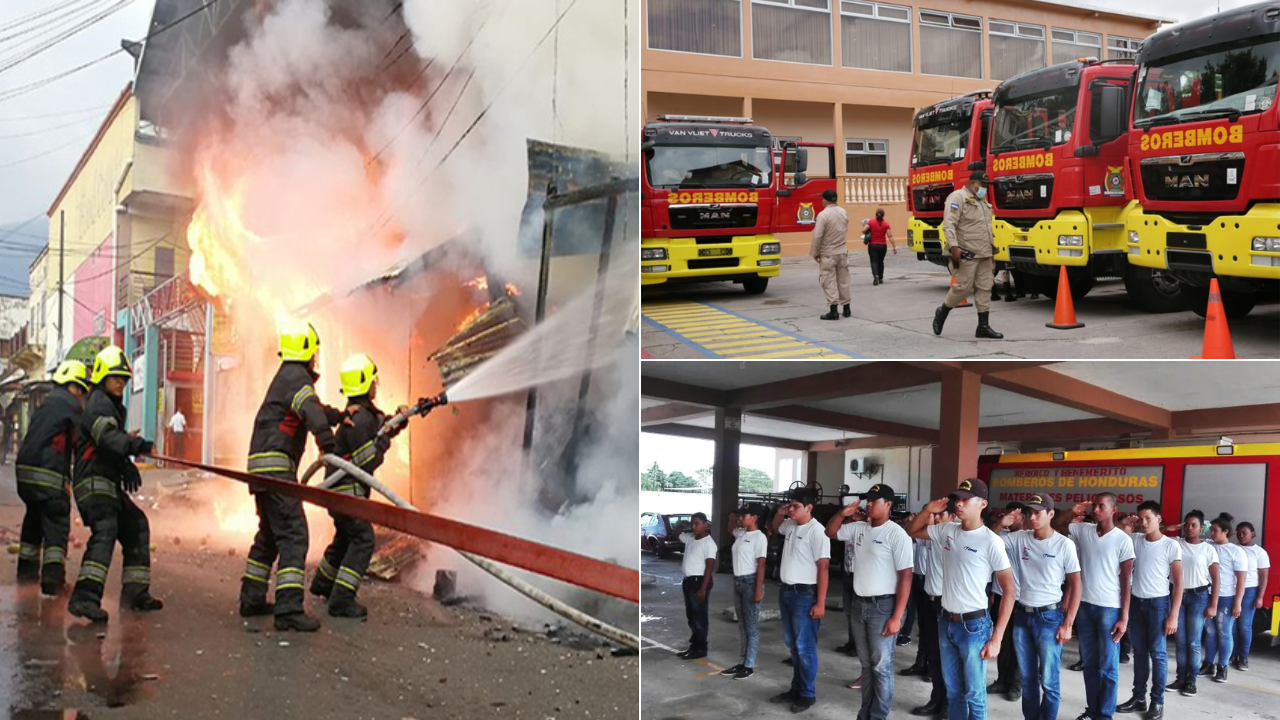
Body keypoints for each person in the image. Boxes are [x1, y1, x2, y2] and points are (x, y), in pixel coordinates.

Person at [240, 322, 346, 632]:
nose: (316, 358)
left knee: (270, 535)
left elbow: (310, 408)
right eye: (314, 352)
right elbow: (309, 410)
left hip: (260, 468)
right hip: (277, 469)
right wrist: (327, 444)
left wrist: (338, 416)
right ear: (308, 351)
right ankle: (288, 610)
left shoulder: (285, 377)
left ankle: (252, 598)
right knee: (294, 534)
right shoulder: (298, 378)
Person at [309, 354, 410, 618]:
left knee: (344, 538)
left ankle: (323, 582)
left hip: (338, 492)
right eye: (373, 380)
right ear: (366, 383)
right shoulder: (360, 419)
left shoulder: (362, 414)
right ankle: (342, 598)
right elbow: (367, 460)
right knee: (363, 540)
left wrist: (398, 421)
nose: (376, 384)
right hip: (347, 493)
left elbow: (380, 428)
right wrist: (385, 443)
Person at [906, 478, 1015, 720]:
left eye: (966, 500)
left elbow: (1010, 591)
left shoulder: (991, 541)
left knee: (974, 694)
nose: (959, 504)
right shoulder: (947, 531)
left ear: (982, 503)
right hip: (946, 622)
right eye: (958, 499)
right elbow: (911, 531)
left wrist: (997, 637)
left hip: (974, 627)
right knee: (953, 691)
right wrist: (927, 511)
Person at [67, 346, 162, 623]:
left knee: (136, 525)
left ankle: (135, 594)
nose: (121, 382)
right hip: (93, 482)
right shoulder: (99, 403)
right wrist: (135, 446)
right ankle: (84, 598)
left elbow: (109, 445)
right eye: (115, 377)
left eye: (124, 378)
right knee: (106, 529)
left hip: (105, 480)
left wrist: (125, 464)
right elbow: (107, 437)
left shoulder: (110, 405)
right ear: (101, 377)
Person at [825, 484, 913, 720]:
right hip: (858, 604)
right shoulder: (858, 528)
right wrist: (841, 515)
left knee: (881, 668)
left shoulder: (897, 534)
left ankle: (878, 716)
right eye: (869, 500)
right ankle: (865, 713)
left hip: (883, 607)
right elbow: (830, 532)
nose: (870, 504)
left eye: (876, 500)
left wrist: (897, 617)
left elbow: (906, 576)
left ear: (889, 505)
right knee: (866, 666)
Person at [1051, 493, 1135, 720]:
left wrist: (1124, 617)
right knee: (1090, 664)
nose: (1096, 510)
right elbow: (1057, 524)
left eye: (1101, 506)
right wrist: (1073, 510)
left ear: (1113, 510)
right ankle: (1092, 710)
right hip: (1085, 607)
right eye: (1095, 506)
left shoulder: (1122, 540)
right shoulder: (1084, 531)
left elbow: (1126, 581)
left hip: (1109, 609)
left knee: (1108, 666)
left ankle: (1104, 715)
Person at [999, 493, 1081, 720]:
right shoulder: (1019, 538)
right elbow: (988, 538)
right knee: (1028, 679)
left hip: (1049, 617)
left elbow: (1077, 584)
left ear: (1051, 514)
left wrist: (1068, 623)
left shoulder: (1064, 544)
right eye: (1030, 513)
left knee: (1049, 680)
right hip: (1022, 617)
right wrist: (1002, 522)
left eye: (1038, 513)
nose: (1032, 517)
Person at [14, 360, 90, 595]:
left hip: (24, 473)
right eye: (82, 391)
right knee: (56, 520)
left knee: (34, 518)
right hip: (48, 473)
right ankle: (53, 581)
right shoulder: (73, 407)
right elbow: (82, 442)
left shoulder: (46, 403)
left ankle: (26, 573)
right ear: (74, 387)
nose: (83, 397)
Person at [1115, 501, 1182, 720]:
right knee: (1140, 653)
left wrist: (1173, 615)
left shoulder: (1170, 545)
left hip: (1158, 605)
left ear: (1159, 520)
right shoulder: (1135, 540)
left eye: (1148, 519)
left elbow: (1178, 583)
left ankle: (1157, 701)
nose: (1143, 523)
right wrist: (1127, 522)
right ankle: (1139, 697)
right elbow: (1116, 533)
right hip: (1137, 603)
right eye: (1140, 518)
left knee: (1158, 654)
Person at [768, 488, 831, 713]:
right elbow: (776, 526)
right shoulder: (791, 526)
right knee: (792, 644)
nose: (791, 509)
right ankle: (796, 688)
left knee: (804, 647)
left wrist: (821, 603)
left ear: (809, 508)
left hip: (805, 595)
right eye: (790, 505)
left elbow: (823, 569)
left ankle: (807, 693)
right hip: (786, 591)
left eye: (796, 506)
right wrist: (780, 511)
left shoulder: (818, 532)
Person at [933, 171, 1002, 339]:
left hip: (985, 253)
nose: (985, 188)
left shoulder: (982, 202)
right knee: (963, 288)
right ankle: (943, 310)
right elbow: (949, 224)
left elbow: (986, 228)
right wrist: (954, 247)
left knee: (986, 287)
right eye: (983, 185)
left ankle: (983, 327)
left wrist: (991, 251)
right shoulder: (957, 197)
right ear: (973, 183)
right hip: (967, 253)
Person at [1165, 509, 1218, 697]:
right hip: (1178, 597)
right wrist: (1167, 528)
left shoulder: (1208, 549)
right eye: (1186, 524)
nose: (1189, 528)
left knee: (1193, 642)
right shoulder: (1175, 543)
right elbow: (1155, 535)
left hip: (1199, 597)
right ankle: (1180, 677)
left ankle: (1191, 680)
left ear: (1201, 527)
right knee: (1180, 641)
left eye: (1193, 525)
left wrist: (1213, 604)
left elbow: (1215, 578)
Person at [908, 504, 955, 718]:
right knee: (935, 657)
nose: (935, 519)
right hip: (930, 601)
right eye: (934, 515)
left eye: (941, 515)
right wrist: (927, 511)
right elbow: (910, 530)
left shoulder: (957, 537)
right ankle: (936, 698)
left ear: (953, 516)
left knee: (949, 659)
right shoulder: (934, 534)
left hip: (948, 605)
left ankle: (949, 704)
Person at [721, 503, 768, 680]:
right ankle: (741, 662)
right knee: (742, 626)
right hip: (738, 582)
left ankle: (749, 665)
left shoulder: (759, 537)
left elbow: (761, 564)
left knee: (751, 627)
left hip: (750, 582)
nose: (741, 518)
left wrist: (758, 589)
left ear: (755, 517)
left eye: (744, 515)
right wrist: (732, 517)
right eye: (740, 515)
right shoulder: (741, 533)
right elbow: (730, 528)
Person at [988, 503, 1026, 702]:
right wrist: (1001, 523)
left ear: (1023, 517)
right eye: (1007, 514)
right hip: (1001, 596)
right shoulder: (1001, 536)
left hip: (1020, 598)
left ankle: (1017, 684)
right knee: (1001, 641)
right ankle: (1002, 680)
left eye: (1015, 515)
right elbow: (984, 539)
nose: (1010, 518)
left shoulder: (1028, 538)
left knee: (1019, 643)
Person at [1203, 514, 1247, 683]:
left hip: (1226, 598)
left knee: (1224, 633)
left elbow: (1241, 580)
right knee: (1211, 632)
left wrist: (1237, 603)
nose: (1211, 533)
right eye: (1211, 530)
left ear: (1226, 531)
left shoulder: (1236, 551)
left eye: (1215, 531)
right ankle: (1208, 664)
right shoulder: (1207, 546)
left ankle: (1222, 666)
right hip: (1206, 595)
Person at [677, 512, 717, 660]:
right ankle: (694, 646)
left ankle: (701, 648)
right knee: (691, 616)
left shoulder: (709, 544)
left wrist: (703, 589)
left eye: (697, 524)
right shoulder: (690, 538)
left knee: (699, 617)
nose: (694, 527)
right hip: (688, 581)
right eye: (692, 523)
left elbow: (709, 567)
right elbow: (676, 535)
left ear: (705, 524)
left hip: (699, 582)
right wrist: (681, 526)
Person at [1232, 521, 1269, 671]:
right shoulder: (1233, 549)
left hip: (1249, 592)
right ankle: (1232, 655)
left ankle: (1243, 657)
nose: (1241, 535)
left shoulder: (1259, 552)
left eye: (1245, 532)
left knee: (1244, 626)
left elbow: (1264, 576)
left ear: (1252, 534)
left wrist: (1260, 596)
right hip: (1232, 591)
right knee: (1231, 627)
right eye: (1239, 533)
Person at [810, 188, 851, 321]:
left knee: (829, 281)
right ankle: (846, 308)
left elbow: (817, 236)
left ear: (826, 200)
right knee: (843, 280)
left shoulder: (823, 215)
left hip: (828, 253)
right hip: (842, 251)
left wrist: (815, 252)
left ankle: (833, 311)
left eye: (822, 198)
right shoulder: (843, 212)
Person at [866, 208, 898, 286]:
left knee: (874, 261)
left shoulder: (871, 222)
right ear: (883, 215)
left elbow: (863, 230)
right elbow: (890, 236)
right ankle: (880, 278)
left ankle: (875, 275)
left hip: (873, 245)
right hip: (883, 245)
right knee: (880, 261)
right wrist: (894, 246)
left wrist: (869, 229)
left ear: (875, 214)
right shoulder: (886, 224)